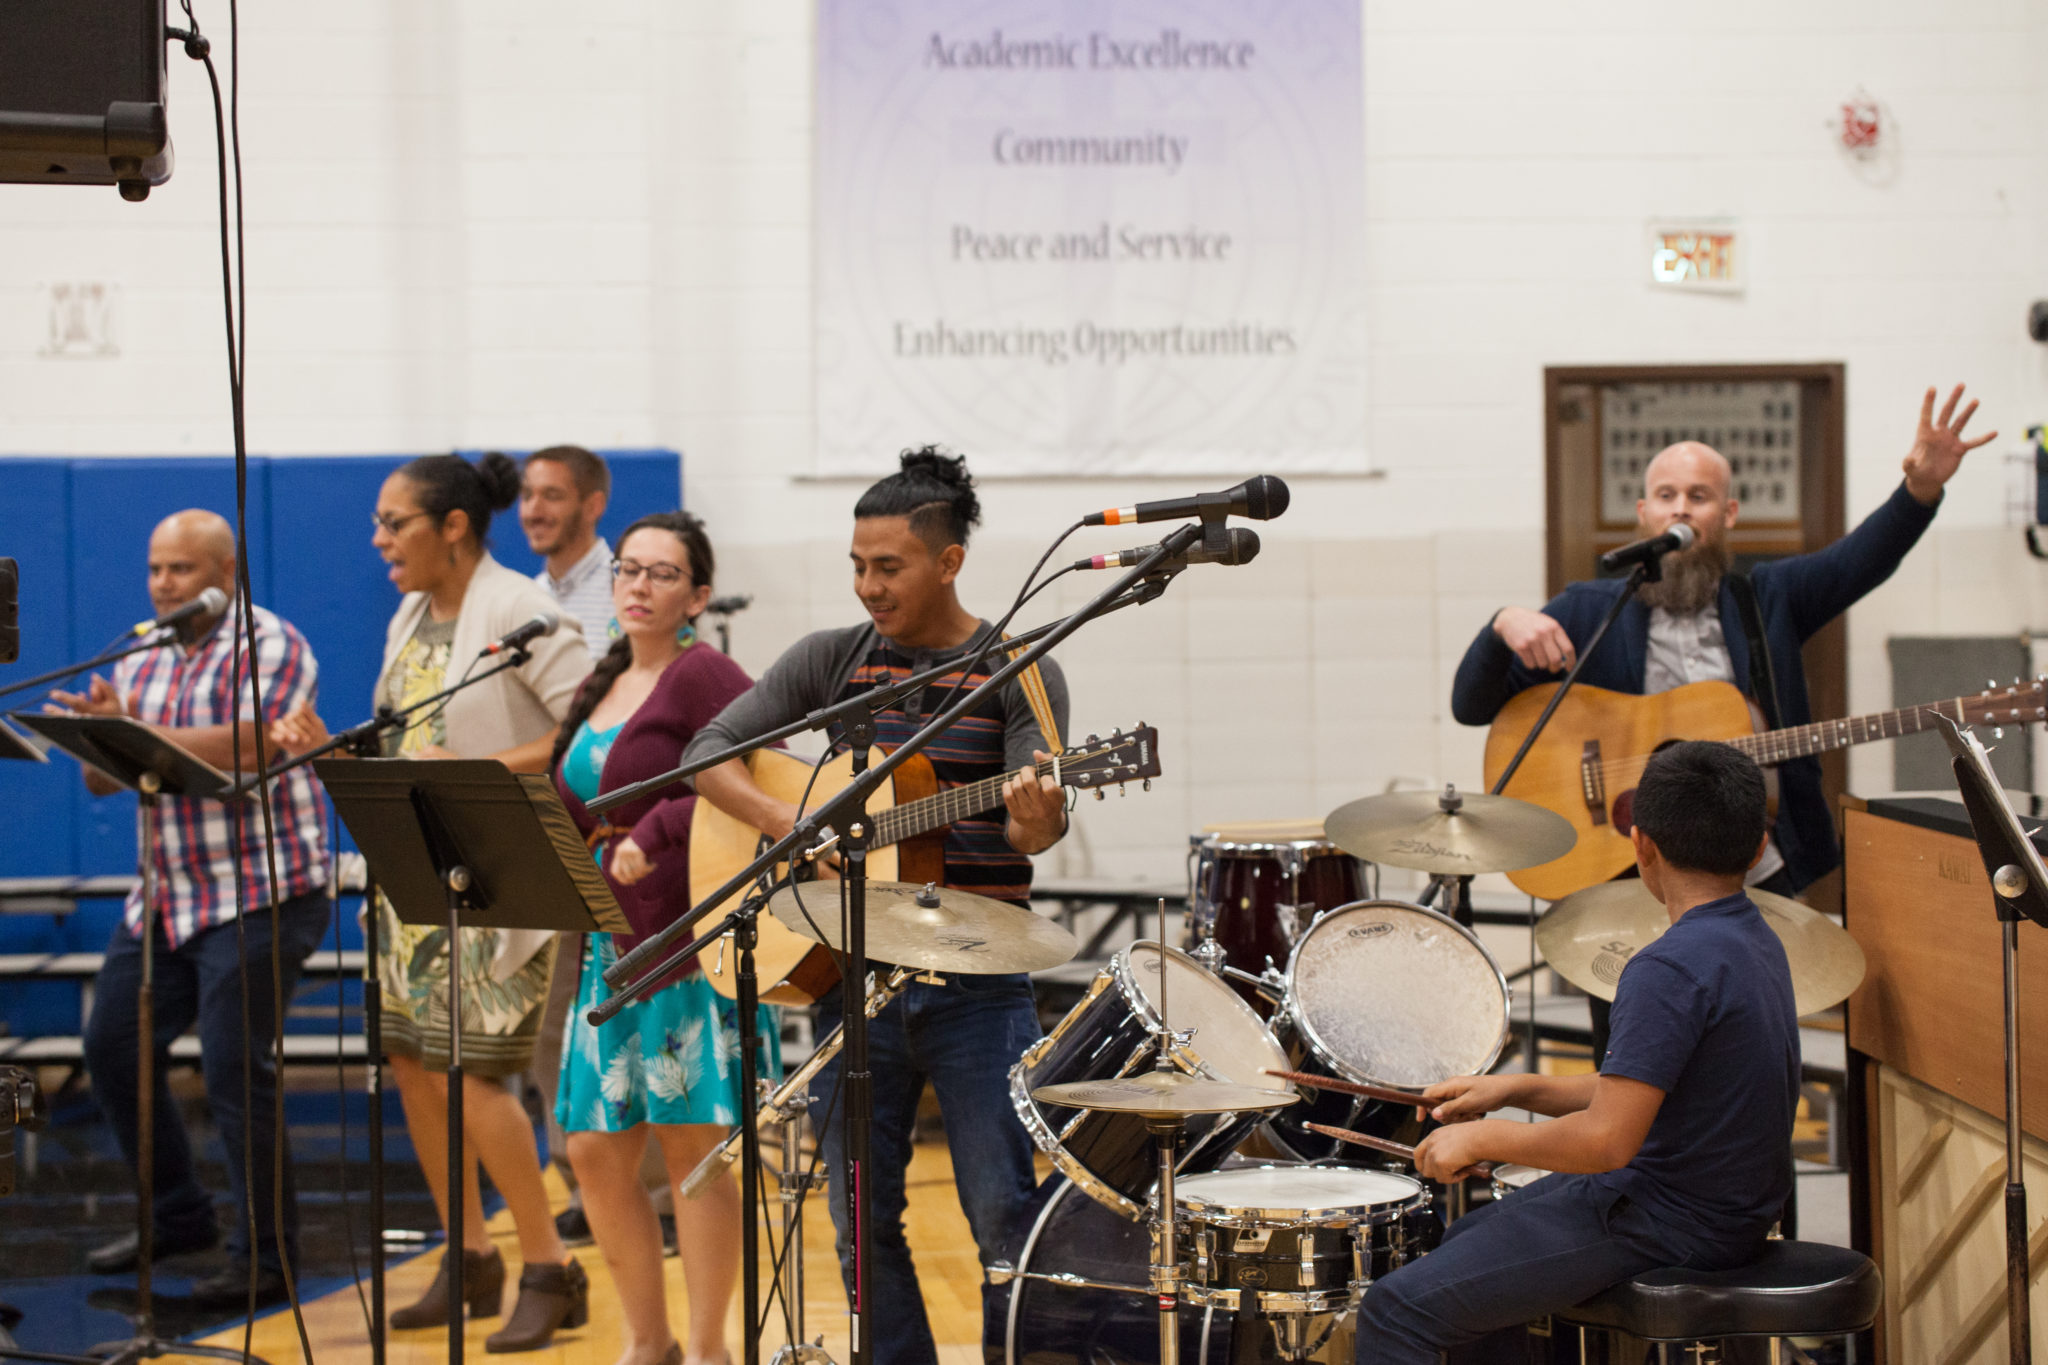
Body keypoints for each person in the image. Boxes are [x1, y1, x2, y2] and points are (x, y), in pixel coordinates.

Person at [681, 448, 1071, 1365]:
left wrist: (1038, 812)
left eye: (888, 566)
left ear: (949, 560)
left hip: (979, 989)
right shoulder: (833, 658)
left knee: (1003, 1215)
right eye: (857, 564)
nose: (867, 586)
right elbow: (707, 753)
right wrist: (787, 821)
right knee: (860, 1224)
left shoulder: (1017, 668)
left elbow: (1033, 833)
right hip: (851, 980)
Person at [270, 452, 593, 1351]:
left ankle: (551, 1268)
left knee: (474, 1073)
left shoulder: (521, 610)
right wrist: (335, 747)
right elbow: (411, 743)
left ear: (454, 526)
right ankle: (471, 1254)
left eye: (393, 521)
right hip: (414, 877)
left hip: (495, 877)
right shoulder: (411, 614)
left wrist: (472, 769)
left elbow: (587, 733)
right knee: (413, 1064)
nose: (378, 539)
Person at [1453, 384, 1994, 904]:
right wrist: (1501, 626)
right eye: (1666, 496)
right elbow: (1471, 707)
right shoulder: (1588, 610)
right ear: (1644, 513)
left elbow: (1859, 561)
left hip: (1754, 866)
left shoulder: (1770, 599)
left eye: (1699, 496)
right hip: (1626, 871)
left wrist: (1919, 492)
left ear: (1728, 514)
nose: (1681, 509)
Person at [1353, 741, 1800, 1364]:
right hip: (1724, 1209)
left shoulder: (1668, 968)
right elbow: (1653, 1082)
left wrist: (1484, 1138)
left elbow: (1605, 1142)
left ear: (1641, 845)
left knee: (1394, 1311)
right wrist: (1516, 1089)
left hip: (1671, 1220)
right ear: (1757, 848)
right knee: (1468, 1237)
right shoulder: (1754, 937)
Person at [51, 509, 331, 1310]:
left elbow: (252, 746)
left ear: (225, 573)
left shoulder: (273, 643)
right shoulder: (141, 652)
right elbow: (104, 780)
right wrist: (98, 735)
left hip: (262, 887)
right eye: (155, 568)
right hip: (167, 896)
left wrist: (132, 725)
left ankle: (267, 1257)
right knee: (111, 1045)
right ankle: (179, 1213)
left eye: (180, 569)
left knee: (234, 1066)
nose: (163, 584)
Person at [548, 511, 778, 1365]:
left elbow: (761, 774)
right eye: (627, 568)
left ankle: (710, 1348)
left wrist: (661, 827)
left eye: (661, 573)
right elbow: (578, 803)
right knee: (593, 1150)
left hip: (686, 943)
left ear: (698, 596)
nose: (638, 585)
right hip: (608, 951)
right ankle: (650, 1342)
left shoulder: (703, 672)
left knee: (693, 1150)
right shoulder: (600, 679)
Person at [521, 444, 614, 658]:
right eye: (527, 495)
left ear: (593, 506)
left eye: (552, 495)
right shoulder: (531, 593)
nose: (533, 511)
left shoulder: (626, 589)